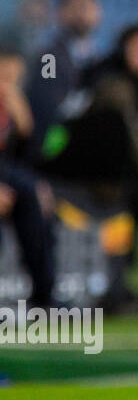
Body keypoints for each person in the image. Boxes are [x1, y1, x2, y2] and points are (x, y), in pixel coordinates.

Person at [41, 24, 138, 304]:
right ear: (125, 52)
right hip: (83, 185)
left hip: (111, 182)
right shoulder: (114, 87)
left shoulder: (137, 87)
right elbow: (137, 155)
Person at [0, 45, 56, 309]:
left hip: (10, 179)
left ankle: (44, 295)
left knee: (34, 199)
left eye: (16, 67)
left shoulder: (13, 103)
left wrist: (22, 120)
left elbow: (25, 157)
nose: (11, 74)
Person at [25, 0, 101, 163]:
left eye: (87, 4)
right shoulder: (48, 58)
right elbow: (49, 106)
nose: (81, 11)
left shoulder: (98, 60)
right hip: (55, 148)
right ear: (59, 12)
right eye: (74, 4)